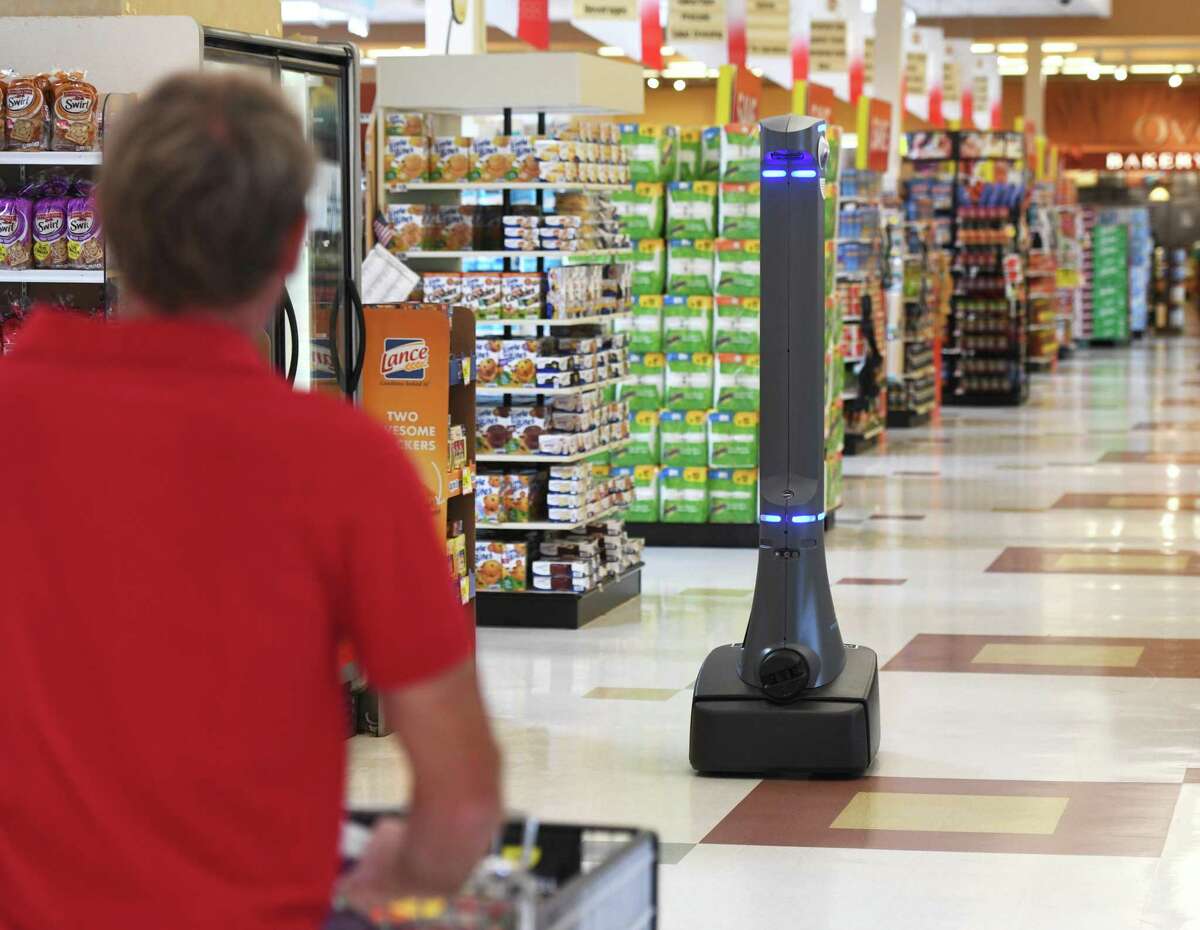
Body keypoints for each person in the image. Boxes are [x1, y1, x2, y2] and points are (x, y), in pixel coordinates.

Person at [0, 73, 501, 930]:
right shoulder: (348, 464)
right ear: (292, 244)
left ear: (108, 221)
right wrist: (398, 869)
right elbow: (460, 806)